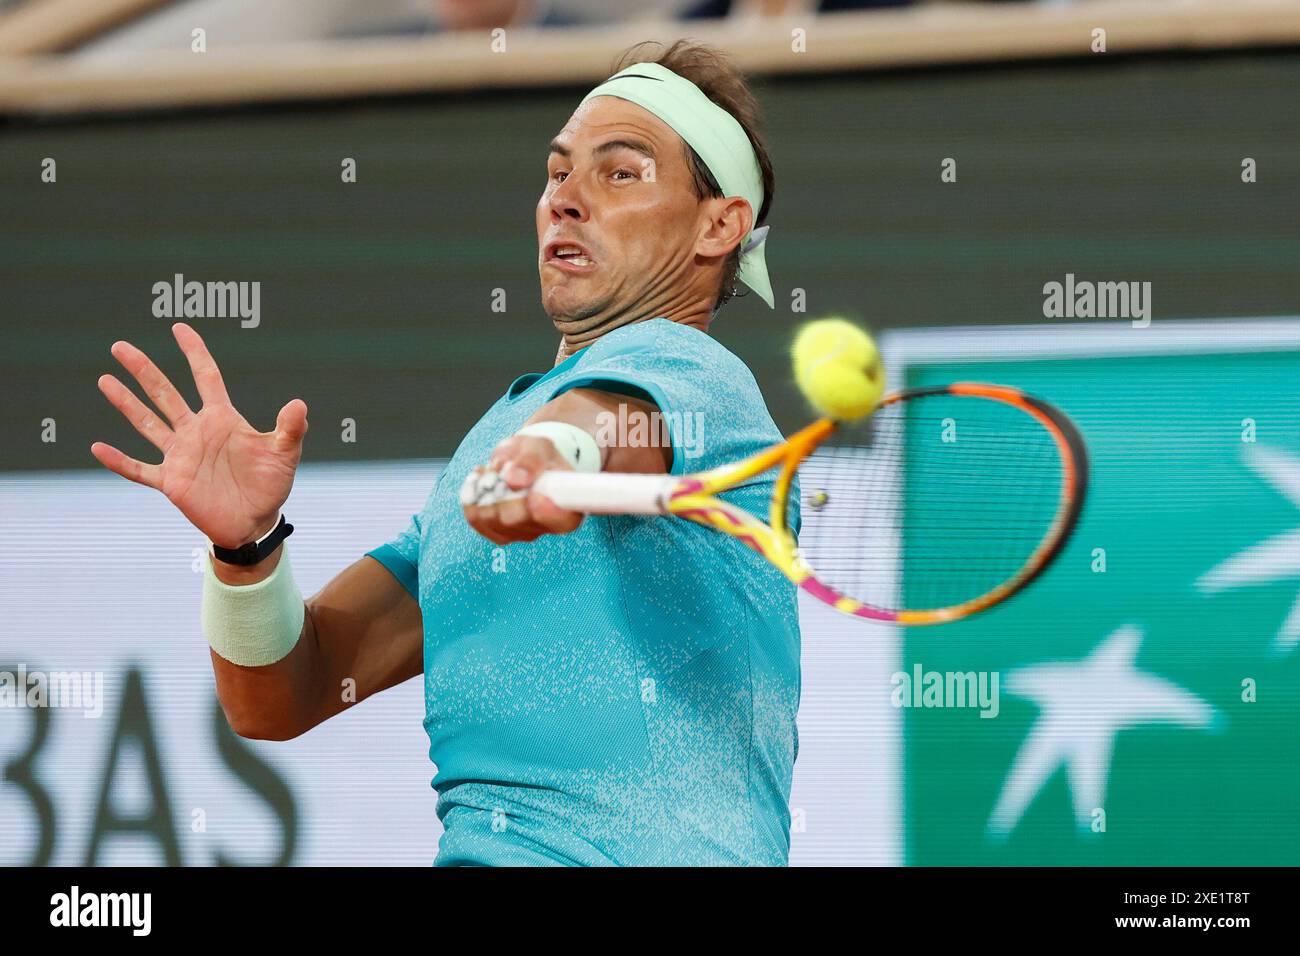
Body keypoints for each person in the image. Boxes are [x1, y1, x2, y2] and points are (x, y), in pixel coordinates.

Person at [92, 39, 800, 866]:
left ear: (720, 226)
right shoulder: (488, 443)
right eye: (557, 172)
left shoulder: (695, 373)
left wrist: (546, 458)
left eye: (620, 173)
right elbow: (287, 692)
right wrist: (245, 552)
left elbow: (612, 429)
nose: (565, 200)